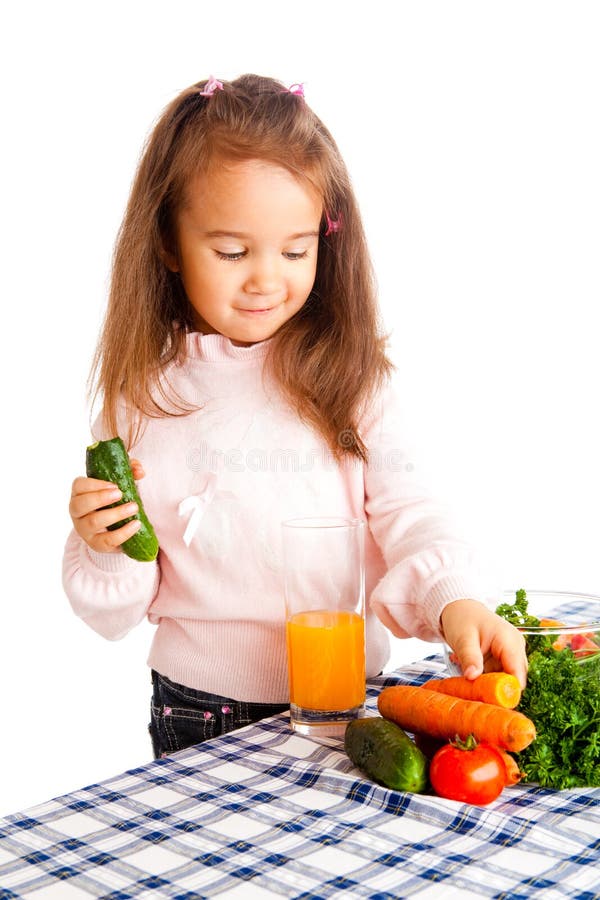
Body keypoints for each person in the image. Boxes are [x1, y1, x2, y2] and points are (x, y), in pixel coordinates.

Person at [63, 74, 527, 758]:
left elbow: (412, 509)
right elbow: (116, 608)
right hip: (198, 709)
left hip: (347, 692)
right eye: (231, 251)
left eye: (295, 250)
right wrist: (105, 549)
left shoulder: (350, 378)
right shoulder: (138, 399)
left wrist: (454, 598)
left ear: (325, 241)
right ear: (168, 242)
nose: (266, 279)